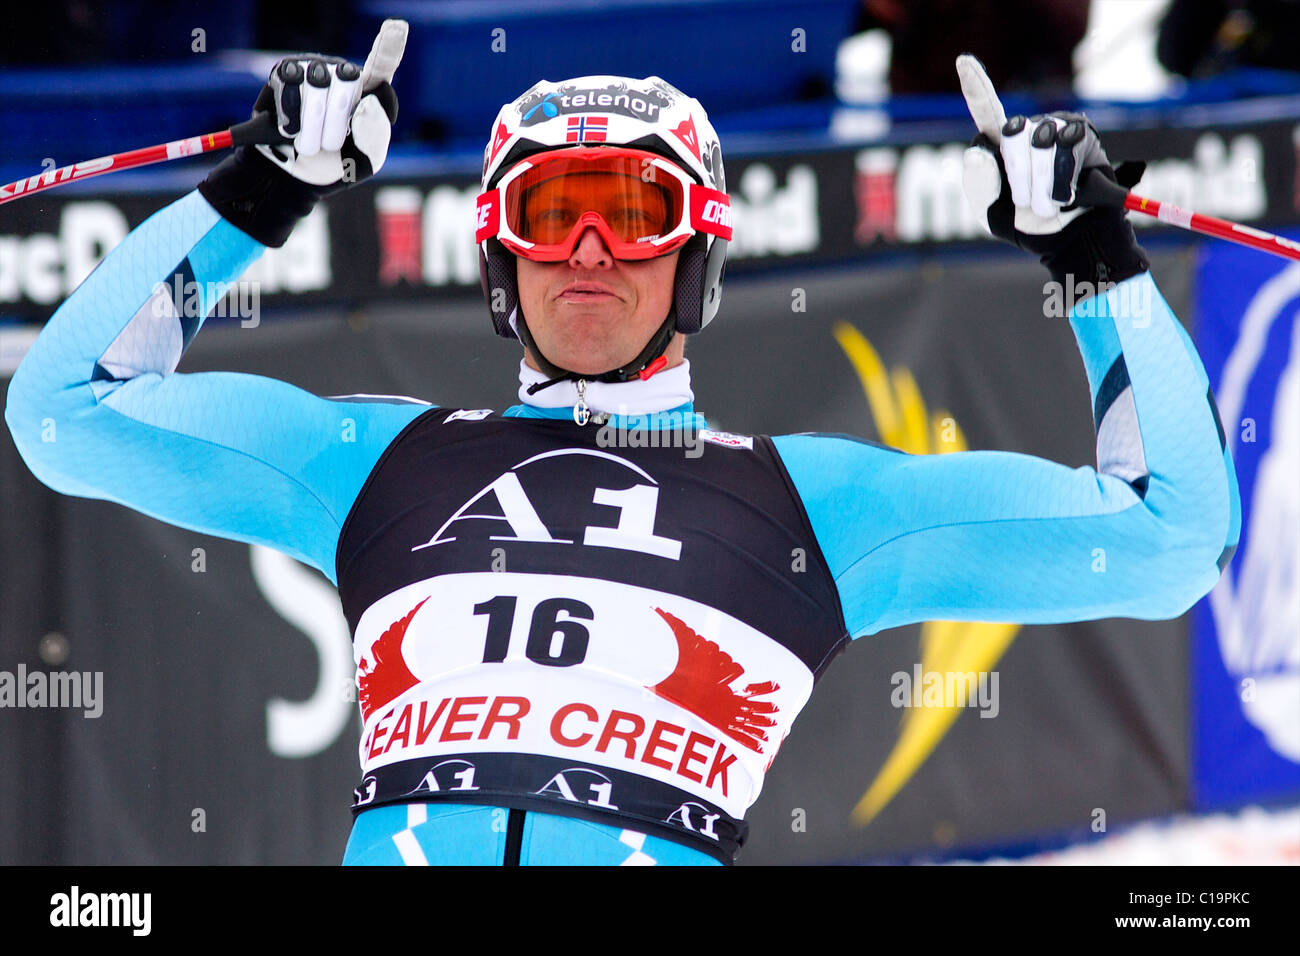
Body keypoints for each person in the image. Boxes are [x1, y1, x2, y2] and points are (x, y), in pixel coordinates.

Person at [4, 24, 1240, 865]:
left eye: (632, 211)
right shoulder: (369, 463)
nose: (588, 251)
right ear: (501, 258)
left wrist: (1094, 259)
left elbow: (1169, 532)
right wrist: (257, 192)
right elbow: (65, 410)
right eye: (551, 212)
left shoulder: (818, 508)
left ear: (696, 254)